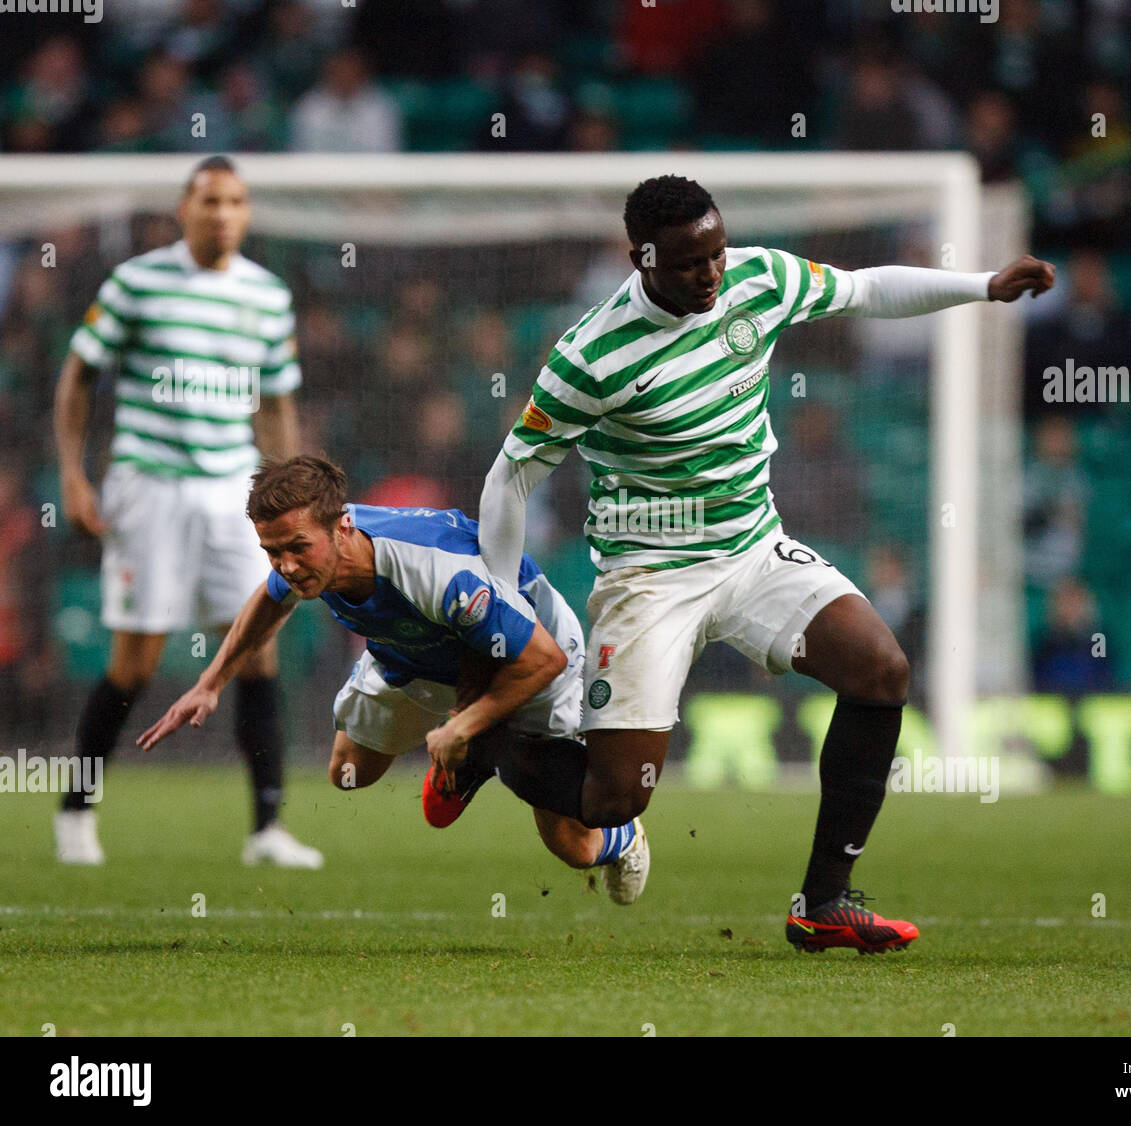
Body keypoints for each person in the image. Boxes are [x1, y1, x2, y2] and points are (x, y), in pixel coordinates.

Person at [467, 174, 1054, 953]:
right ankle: (484, 747)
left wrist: (983, 284)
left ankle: (824, 902)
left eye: (715, 251)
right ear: (639, 258)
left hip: (752, 547)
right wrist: (498, 609)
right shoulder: (591, 355)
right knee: (612, 799)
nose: (710, 273)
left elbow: (865, 289)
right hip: (650, 575)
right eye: (687, 263)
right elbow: (512, 472)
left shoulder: (758, 277)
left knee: (881, 671)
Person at [137, 456, 650, 904]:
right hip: (418, 656)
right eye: (273, 552)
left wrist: (462, 727)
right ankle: (473, 747)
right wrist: (211, 681)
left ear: (341, 527)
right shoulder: (311, 548)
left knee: (574, 847)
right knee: (347, 773)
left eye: (296, 549)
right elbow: (271, 598)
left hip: (524, 655)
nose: (286, 566)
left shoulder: (437, 572)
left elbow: (543, 660)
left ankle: (621, 835)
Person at [52, 155, 320, 868]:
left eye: (235, 201)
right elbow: (78, 375)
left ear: (248, 212)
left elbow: (275, 400)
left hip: (231, 487)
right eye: (209, 200)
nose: (223, 213)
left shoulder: (266, 295)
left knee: (256, 648)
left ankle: (266, 828)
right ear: (184, 209)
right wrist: (75, 480)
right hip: (149, 483)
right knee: (135, 660)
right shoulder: (137, 281)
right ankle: (76, 812)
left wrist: (288, 491)